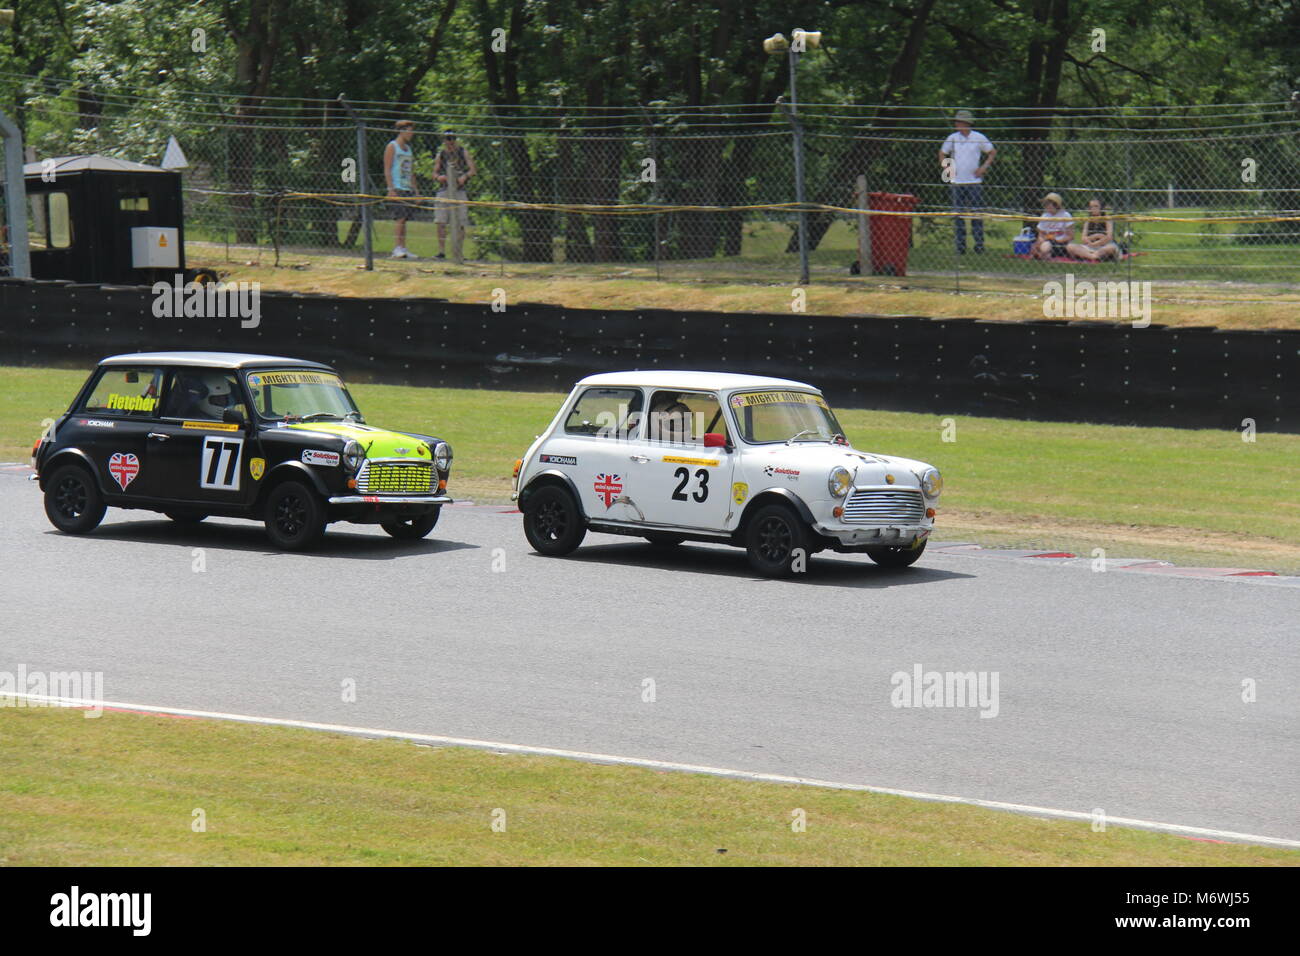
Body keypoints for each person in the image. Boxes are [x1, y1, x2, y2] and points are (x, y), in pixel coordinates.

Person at [938, 109, 996, 255]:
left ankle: (979, 245)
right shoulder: (952, 138)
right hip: (957, 182)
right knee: (958, 214)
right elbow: (942, 153)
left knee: (976, 213)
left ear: (967, 123)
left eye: (960, 122)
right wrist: (948, 168)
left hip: (974, 182)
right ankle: (960, 246)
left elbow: (992, 152)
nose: (957, 124)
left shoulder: (978, 137)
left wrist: (984, 167)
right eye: (957, 122)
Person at [432, 130, 477, 259]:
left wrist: (464, 176)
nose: (450, 142)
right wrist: (439, 177)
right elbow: (434, 173)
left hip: (459, 190)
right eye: (447, 139)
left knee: (460, 222)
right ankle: (441, 251)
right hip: (444, 189)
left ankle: (459, 252)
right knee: (440, 221)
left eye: (452, 139)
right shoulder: (441, 154)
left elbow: (473, 170)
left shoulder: (463, 152)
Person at [383, 120, 419, 259]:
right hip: (397, 186)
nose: (411, 134)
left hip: (407, 186)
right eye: (409, 130)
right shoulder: (392, 146)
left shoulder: (408, 149)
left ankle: (403, 247)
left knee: (405, 219)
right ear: (402, 131)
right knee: (400, 218)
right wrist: (390, 188)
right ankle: (397, 247)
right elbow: (387, 168)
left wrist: (416, 190)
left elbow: (411, 171)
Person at [1066, 197, 1121, 261]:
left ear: (1101, 208)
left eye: (1096, 206)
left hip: (1104, 245)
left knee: (1111, 248)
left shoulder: (1107, 219)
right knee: (1070, 246)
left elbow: (1109, 237)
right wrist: (1096, 236)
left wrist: (1096, 243)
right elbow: (1083, 238)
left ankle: (1092, 255)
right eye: (1091, 207)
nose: (1093, 209)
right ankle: (1093, 257)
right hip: (1090, 246)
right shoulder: (1088, 220)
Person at [1031, 192, 1075, 259]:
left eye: (1048, 203)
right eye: (1045, 204)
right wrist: (1040, 242)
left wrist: (1056, 240)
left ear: (1056, 205)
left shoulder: (1065, 215)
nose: (1045, 206)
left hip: (1062, 243)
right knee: (1045, 247)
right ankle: (1044, 254)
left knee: (1070, 247)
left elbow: (1070, 236)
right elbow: (1041, 235)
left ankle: (1044, 255)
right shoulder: (1045, 216)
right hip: (1048, 242)